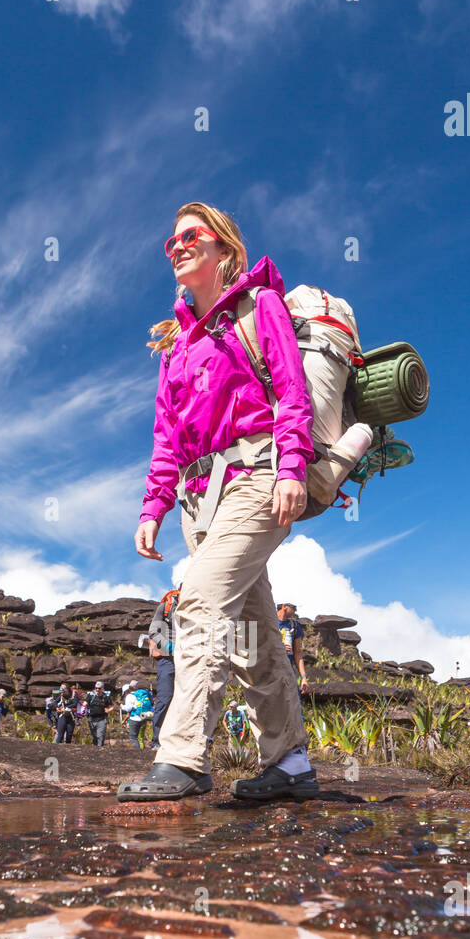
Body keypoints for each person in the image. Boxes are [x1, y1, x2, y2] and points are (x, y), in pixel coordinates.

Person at [117, 201, 318, 802]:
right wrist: (153, 508)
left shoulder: (260, 308)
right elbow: (165, 438)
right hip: (197, 503)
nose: (175, 246)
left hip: (257, 478)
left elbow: (292, 390)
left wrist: (292, 465)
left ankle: (183, 758)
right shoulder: (175, 346)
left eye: (189, 236)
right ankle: (290, 765)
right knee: (253, 634)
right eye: (169, 242)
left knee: (200, 601)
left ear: (224, 249)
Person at [148, 586, 180, 747]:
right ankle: (157, 741)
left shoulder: (200, 607)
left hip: (191, 659)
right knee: (165, 698)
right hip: (168, 659)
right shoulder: (166, 607)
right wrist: (172, 648)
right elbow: (153, 632)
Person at [277, 602, 310, 700]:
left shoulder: (294, 626)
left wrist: (303, 678)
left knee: (295, 707)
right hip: (270, 671)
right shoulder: (268, 622)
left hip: (288, 671)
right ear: (284, 606)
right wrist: (279, 647)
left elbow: (298, 653)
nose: (296, 610)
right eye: (293, 607)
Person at [122, 679, 154, 748]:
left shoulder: (130, 696)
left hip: (134, 718)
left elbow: (128, 709)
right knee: (141, 736)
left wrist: (122, 707)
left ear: (130, 687)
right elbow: (151, 703)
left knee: (133, 737)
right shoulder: (144, 693)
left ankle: (138, 752)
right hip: (144, 717)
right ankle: (142, 749)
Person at [86, 680, 114, 746]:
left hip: (102, 719)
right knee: (94, 736)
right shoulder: (91, 695)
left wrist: (109, 710)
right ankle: (95, 750)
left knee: (100, 736)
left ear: (102, 688)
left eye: (99, 688)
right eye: (96, 688)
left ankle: (100, 750)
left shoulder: (106, 696)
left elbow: (111, 706)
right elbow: (85, 703)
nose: (97, 690)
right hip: (91, 719)